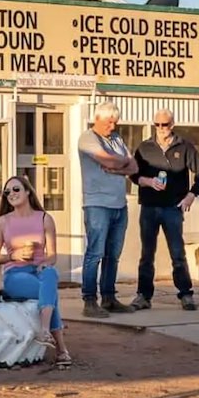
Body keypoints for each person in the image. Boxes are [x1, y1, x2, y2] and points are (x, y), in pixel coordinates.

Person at [128, 109, 199, 311]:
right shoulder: (145, 148)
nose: (161, 129)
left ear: (172, 125)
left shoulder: (185, 147)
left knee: (177, 253)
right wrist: (145, 181)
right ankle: (143, 296)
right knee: (147, 253)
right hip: (149, 207)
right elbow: (132, 173)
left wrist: (192, 195)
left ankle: (185, 294)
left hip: (173, 208)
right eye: (157, 125)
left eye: (165, 125)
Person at [0, 175, 71, 368]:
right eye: (7, 192)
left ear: (27, 191)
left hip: (39, 270)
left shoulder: (44, 218)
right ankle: (60, 347)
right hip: (15, 274)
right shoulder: (2, 222)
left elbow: (52, 255)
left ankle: (44, 331)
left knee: (50, 275)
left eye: (16, 189)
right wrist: (13, 255)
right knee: (48, 291)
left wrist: (45, 263)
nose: (11, 194)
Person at [77, 101, 138, 317]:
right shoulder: (88, 138)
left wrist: (117, 163)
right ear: (98, 118)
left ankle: (109, 297)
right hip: (97, 205)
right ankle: (90, 300)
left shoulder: (117, 139)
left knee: (113, 254)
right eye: (109, 122)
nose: (112, 127)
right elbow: (111, 162)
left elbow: (134, 167)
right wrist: (118, 164)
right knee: (95, 252)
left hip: (119, 205)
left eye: (115, 122)